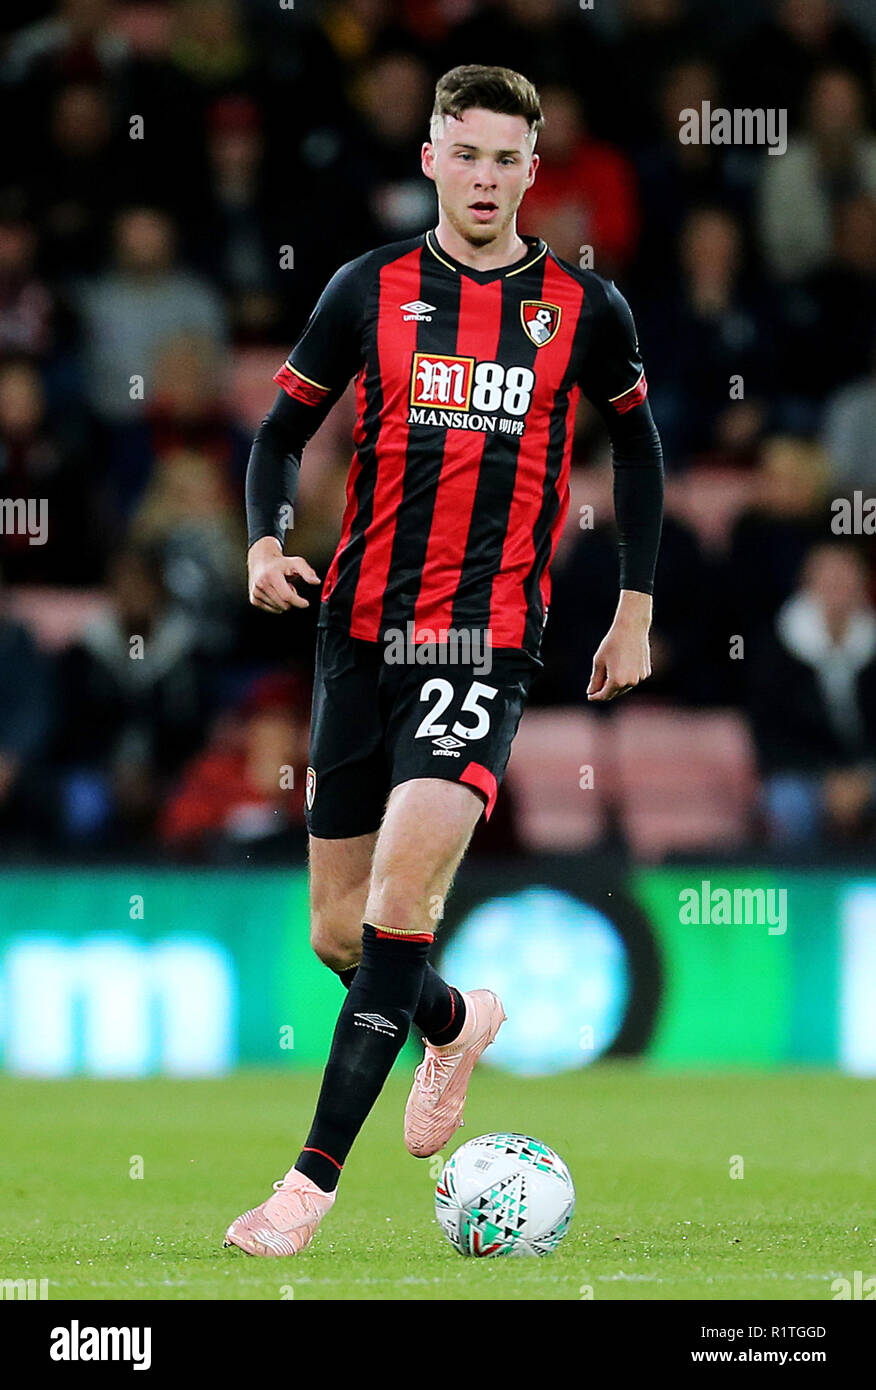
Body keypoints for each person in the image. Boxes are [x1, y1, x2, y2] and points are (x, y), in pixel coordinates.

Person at [226, 64, 663, 1258]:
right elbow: (278, 431)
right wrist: (265, 541)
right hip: (356, 633)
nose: (483, 176)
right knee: (337, 932)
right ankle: (457, 1023)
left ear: (535, 169)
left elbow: (639, 445)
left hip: (480, 643)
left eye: (505, 158)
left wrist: (633, 604)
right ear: (432, 158)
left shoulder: (582, 307)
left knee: (398, 909)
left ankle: (304, 1190)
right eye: (463, 153)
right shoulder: (369, 290)